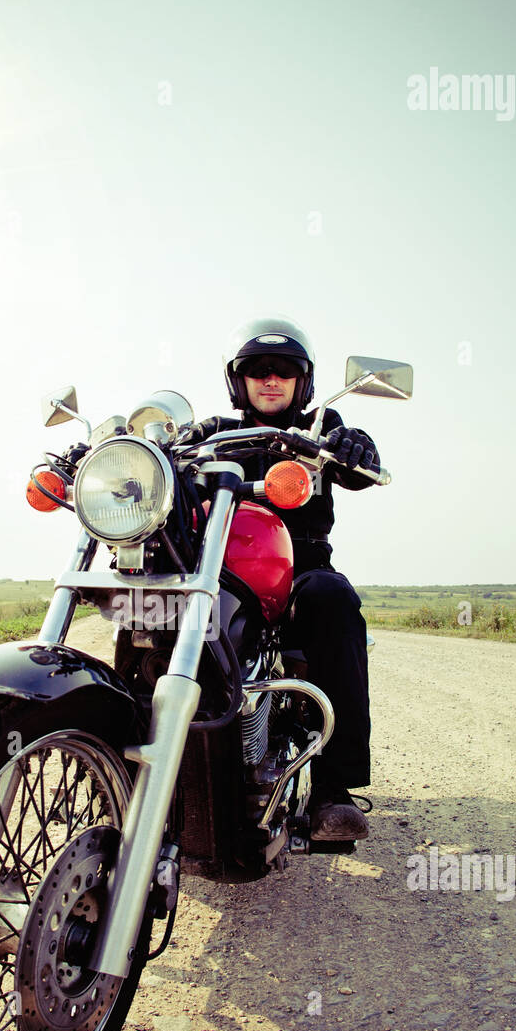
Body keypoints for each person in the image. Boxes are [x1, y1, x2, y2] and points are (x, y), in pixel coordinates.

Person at [181, 316, 379, 841]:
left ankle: (333, 790)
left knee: (332, 598)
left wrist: (354, 444)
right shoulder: (210, 435)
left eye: (285, 371)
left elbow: (355, 469)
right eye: (258, 369)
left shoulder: (318, 428)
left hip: (298, 574)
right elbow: (164, 458)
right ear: (237, 379)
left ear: (303, 381)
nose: (271, 379)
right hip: (219, 576)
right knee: (148, 606)